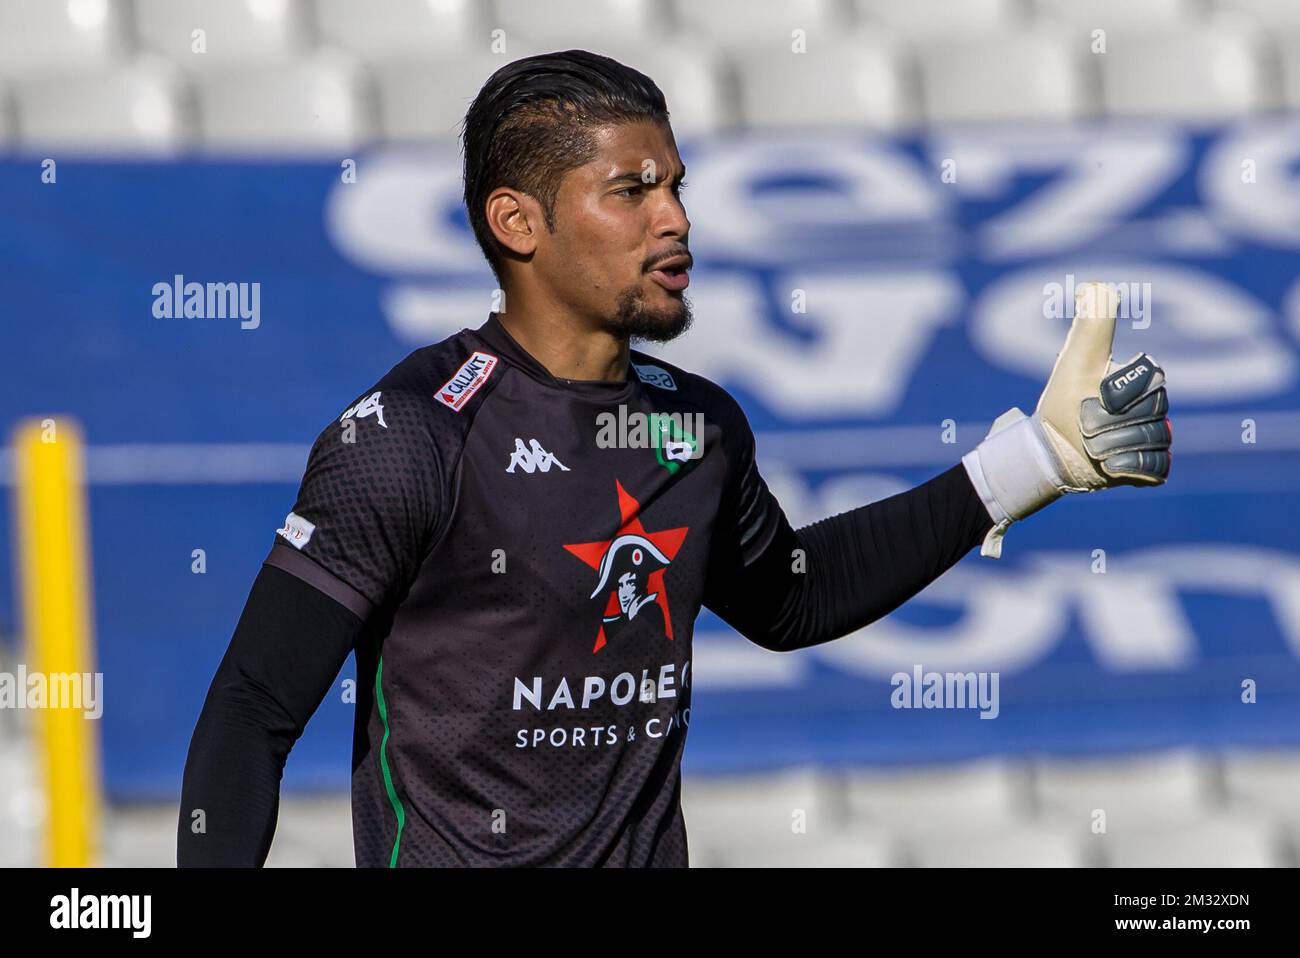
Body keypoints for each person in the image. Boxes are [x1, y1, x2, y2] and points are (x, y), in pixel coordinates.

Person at [177, 50, 1171, 867]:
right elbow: (254, 708)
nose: (676, 219)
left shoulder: (696, 426)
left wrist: (1033, 460)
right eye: (631, 190)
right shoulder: (409, 435)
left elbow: (793, 598)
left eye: (675, 186)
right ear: (517, 221)